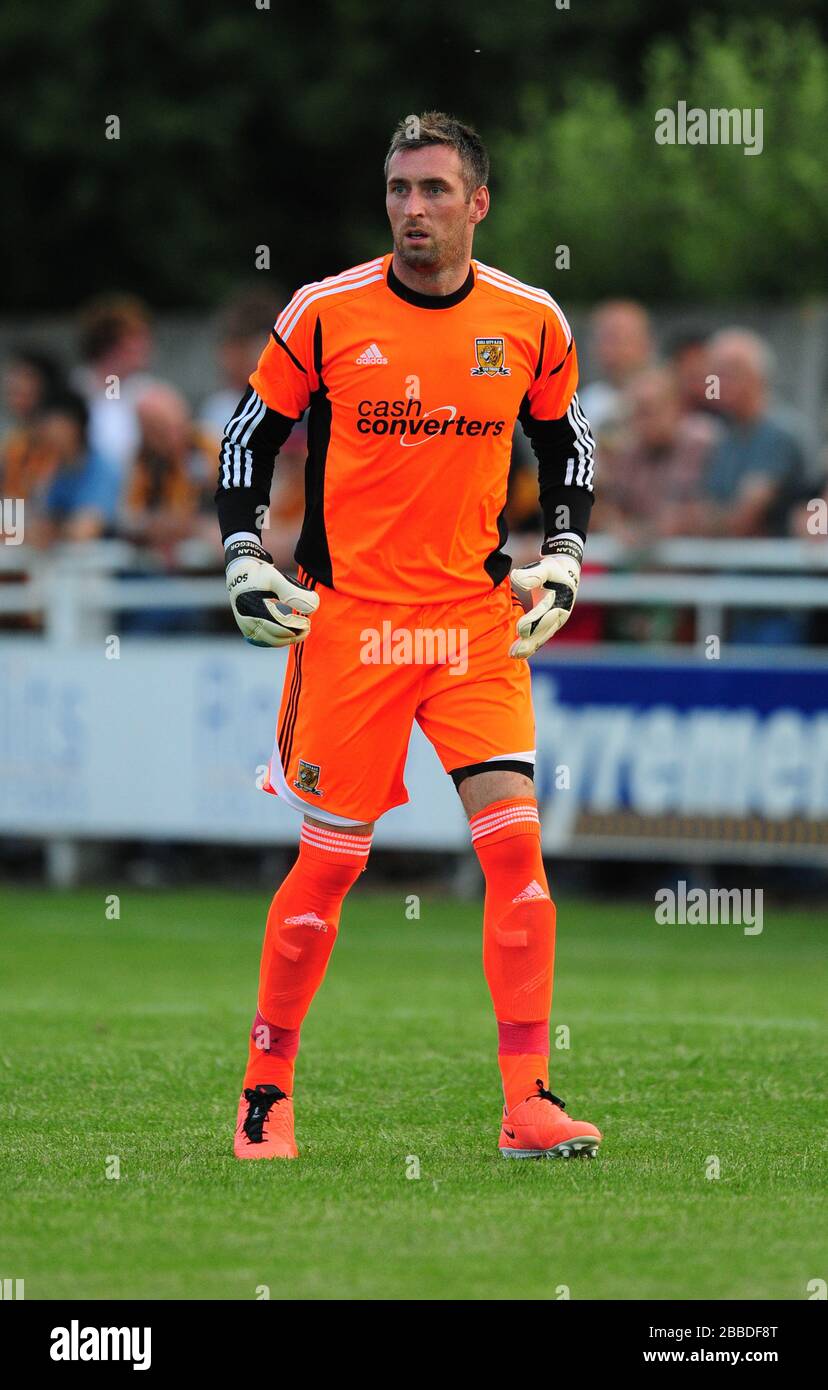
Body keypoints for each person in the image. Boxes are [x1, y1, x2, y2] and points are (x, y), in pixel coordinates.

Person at [216, 111, 601, 1163]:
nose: (413, 210)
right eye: (397, 190)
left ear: (478, 203)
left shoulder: (529, 318)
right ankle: (266, 1090)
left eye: (434, 190)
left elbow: (570, 437)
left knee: (517, 850)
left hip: (474, 624)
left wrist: (563, 551)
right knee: (330, 870)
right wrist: (245, 552)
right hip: (350, 627)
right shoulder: (326, 312)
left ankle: (527, 1102)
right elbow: (252, 431)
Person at [72, 295, 155, 477]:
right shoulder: (76, 390)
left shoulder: (148, 392)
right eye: (136, 336)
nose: (146, 343)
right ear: (110, 344)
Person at [26, 391, 121, 546]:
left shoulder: (102, 468)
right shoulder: (52, 468)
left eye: (51, 425)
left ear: (73, 426)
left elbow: (86, 529)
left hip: (99, 562)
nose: (44, 434)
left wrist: (50, 530)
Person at [578, 299, 655, 440]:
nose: (613, 350)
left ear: (646, 343)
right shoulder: (586, 402)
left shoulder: (668, 401)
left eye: (621, 339)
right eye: (605, 340)